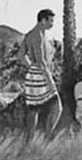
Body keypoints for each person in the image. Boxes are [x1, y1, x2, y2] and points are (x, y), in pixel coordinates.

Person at [21, 9, 60, 138]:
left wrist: (31, 67)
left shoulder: (29, 35)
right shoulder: (38, 35)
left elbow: (21, 55)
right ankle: (48, 137)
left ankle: (30, 141)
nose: (52, 24)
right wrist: (50, 82)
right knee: (57, 107)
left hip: (32, 75)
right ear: (43, 20)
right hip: (41, 75)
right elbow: (42, 61)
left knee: (33, 109)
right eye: (51, 21)